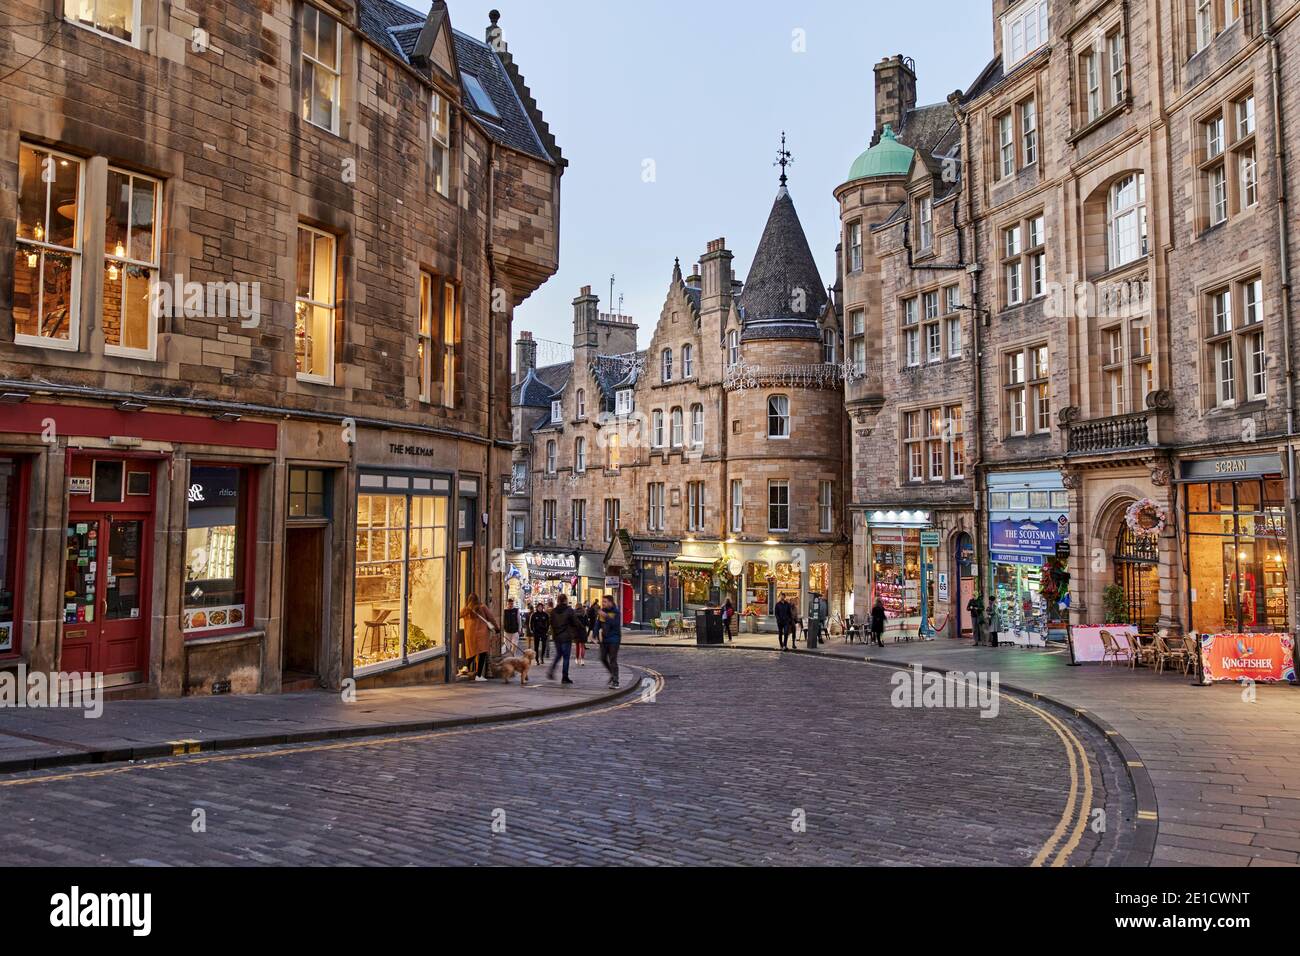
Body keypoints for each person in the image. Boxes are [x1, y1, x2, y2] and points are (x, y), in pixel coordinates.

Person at [459, 593, 499, 682]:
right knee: (482, 654)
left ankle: (466, 666)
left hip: (470, 634)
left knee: (472, 651)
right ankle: (479, 675)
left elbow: (457, 616)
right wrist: (497, 628)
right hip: (482, 634)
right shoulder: (482, 607)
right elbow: (491, 618)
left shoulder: (466, 610)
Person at [547, 593, 580, 684]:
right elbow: (575, 622)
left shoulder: (553, 611)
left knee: (559, 654)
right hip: (566, 636)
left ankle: (551, 670)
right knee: (566, 657)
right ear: (565, 600)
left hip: (557, 636)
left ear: (558, 600)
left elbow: (551, 623)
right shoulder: (569, 610)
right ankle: (565, 677)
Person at [599, 593, 622, 688]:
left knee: (612, 659)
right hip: (604, 639)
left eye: (605, 602)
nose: (603, 603)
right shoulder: (603, 611)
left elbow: (615, 624)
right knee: (603, 658)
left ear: (610, 602)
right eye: (602, 601)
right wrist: (594, 634)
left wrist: (606, 616)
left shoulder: (616, 612)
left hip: (614, 639)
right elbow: (598, 623)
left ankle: (616, 681)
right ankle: (612, 674)